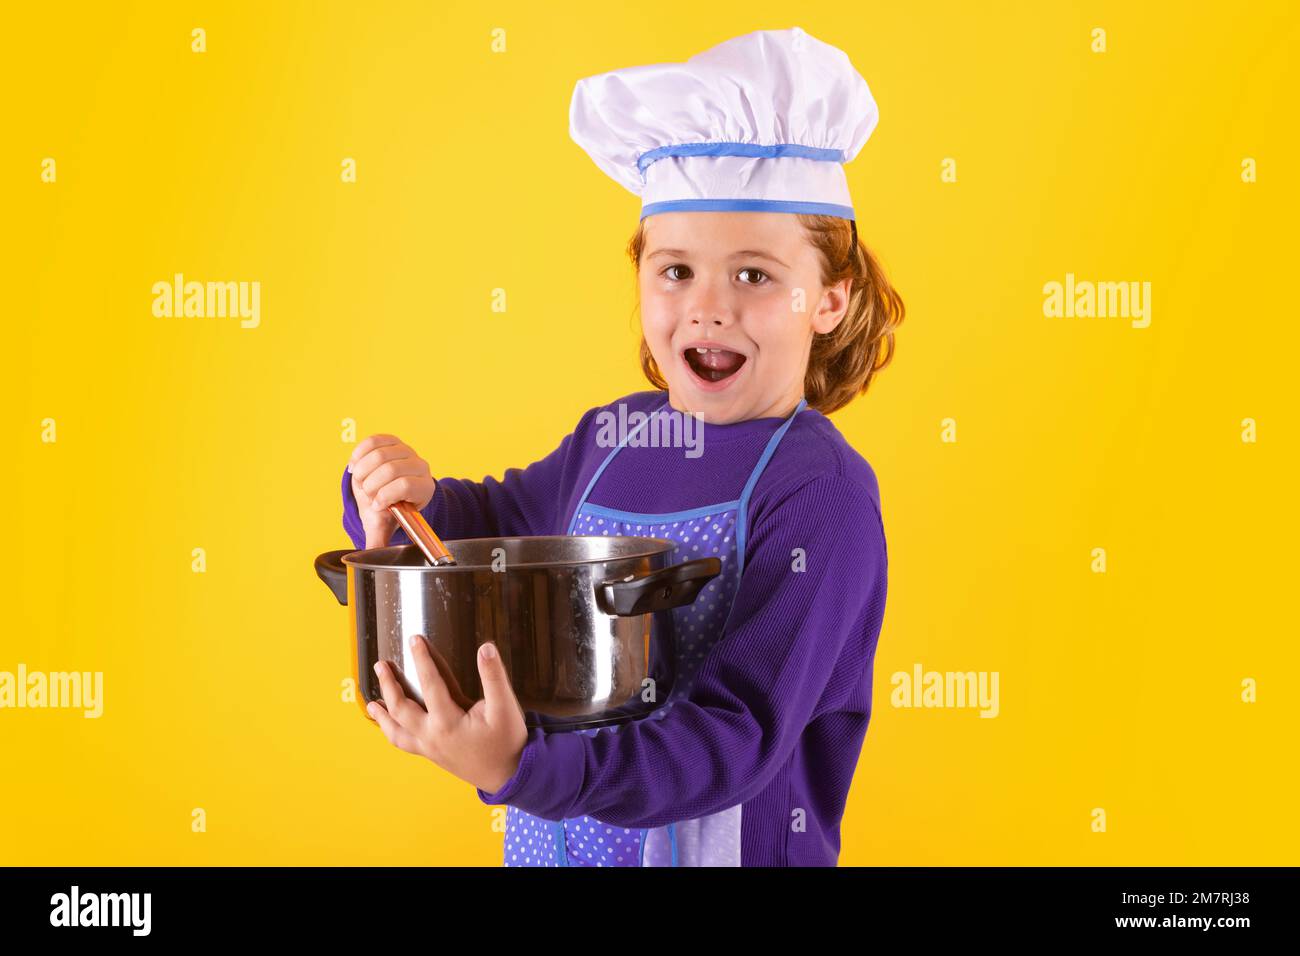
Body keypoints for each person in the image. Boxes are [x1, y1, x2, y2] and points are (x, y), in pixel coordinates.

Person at [339, 26, 904, 866]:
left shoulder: (821, 493)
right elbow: (480, 538)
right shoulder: (616, 435)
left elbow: (735, 735)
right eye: (676, 270)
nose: (707, 307)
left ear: (827, 300)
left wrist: (524, 765)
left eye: (753, 275)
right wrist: (398, 499)